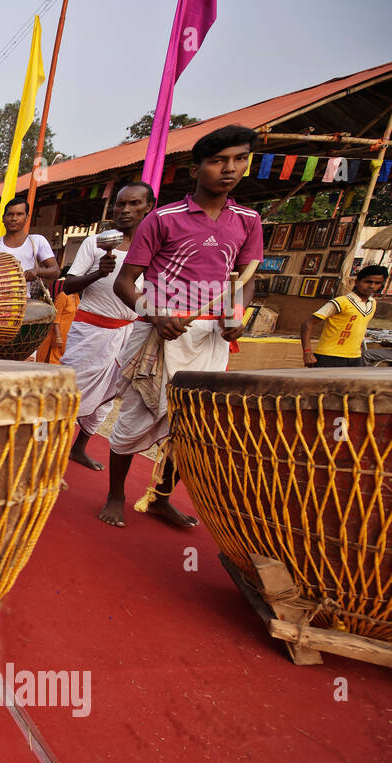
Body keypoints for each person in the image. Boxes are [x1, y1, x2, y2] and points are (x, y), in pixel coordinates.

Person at [102, 124, 262, 529]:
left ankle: (159, 497)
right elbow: (125, 283)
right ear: (196, 168)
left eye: (239, 159)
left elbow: (245, 279)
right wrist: (156, 313)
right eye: (217, 161)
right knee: (134, 420)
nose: (229, 169)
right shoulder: (162, 219)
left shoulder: (248, 220)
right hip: (160, 334)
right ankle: (116, 494)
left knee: (189, 428)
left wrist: (236, 316)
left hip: (210, 338)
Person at [60, 182, 155, 470]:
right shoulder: (95, 243)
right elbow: (68, 286)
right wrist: (96, 274)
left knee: (107, 397)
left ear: (148, 207)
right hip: (90, 330)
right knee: (70, 390)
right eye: (120, 204)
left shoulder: (152, 249)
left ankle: (79, 447)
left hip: (129, 333)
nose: (125, 210)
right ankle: (47, 445)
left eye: (134, 204)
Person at [301, 264, 388, 367]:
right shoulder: (341, 302)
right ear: (357, 282)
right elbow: (308, 323)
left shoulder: (372, 303)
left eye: (377, 283)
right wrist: (307, 351)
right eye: (368, 282)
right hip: (329, 356)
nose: (372, 286)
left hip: (355, 357)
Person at [0, 196, 60, 298]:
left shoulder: (37, 241)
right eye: (10, 214)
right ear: (3, 218)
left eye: (19, 214)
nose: (14, 218)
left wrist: (36, 271)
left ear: (27, 217)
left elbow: (55, 271)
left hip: (23, 302)